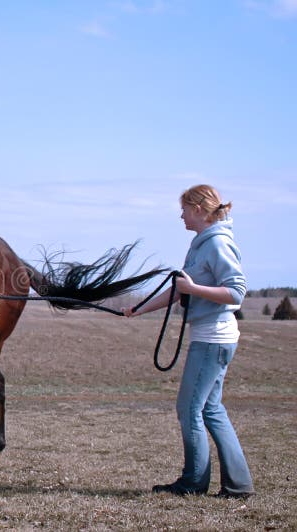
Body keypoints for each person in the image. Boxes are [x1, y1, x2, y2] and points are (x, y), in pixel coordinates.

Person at [122, 184, 254, 498]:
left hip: (213, 339)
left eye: (184, 208)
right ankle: (237, 485)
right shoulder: (200, 244)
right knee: (210, 409)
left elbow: (236, 292)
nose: (181, 215)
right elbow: (180, 289)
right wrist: (139, 310)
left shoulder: (217, 243)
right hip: (211, 336)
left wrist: (194, 291)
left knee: (189, 408)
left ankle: (194, 483)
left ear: (197, 209)